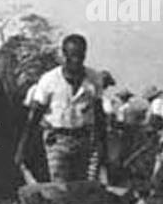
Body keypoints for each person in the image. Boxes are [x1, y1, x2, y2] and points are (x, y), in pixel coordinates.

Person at [14, 34, 107, 184]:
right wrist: (23, 148)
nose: (76, 60)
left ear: (85, 54)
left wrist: (103, 147)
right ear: (64, 55)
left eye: (80, 56)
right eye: (72, 56)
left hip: (83, 138)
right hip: (56, 139)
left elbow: (99, 114)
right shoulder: (49, 80)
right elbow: (35, 116)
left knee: (82, 185)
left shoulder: (94, 79)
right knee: (60, 185)